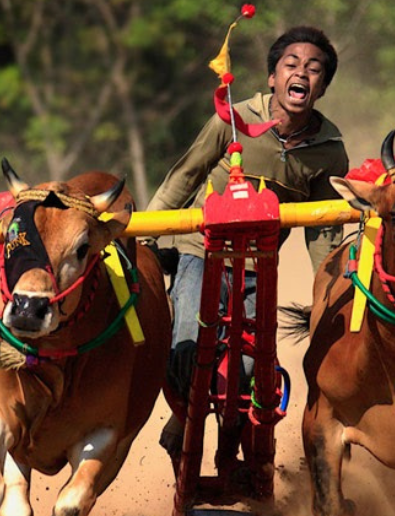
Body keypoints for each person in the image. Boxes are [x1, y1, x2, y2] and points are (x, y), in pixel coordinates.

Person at [144, 26, 349, 458]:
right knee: (185, 341)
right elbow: (184, 176)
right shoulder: (232, 120)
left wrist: (333, 290)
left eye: (314, 69)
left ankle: (233, 442)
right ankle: (183, 418)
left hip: (260, 266)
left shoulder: (329, 151)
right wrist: (146, 237)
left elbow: (324, 232)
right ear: (272, 77)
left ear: (324, 87)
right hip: (200, 252)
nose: (302, 74)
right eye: (291, 64)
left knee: (253, 366)